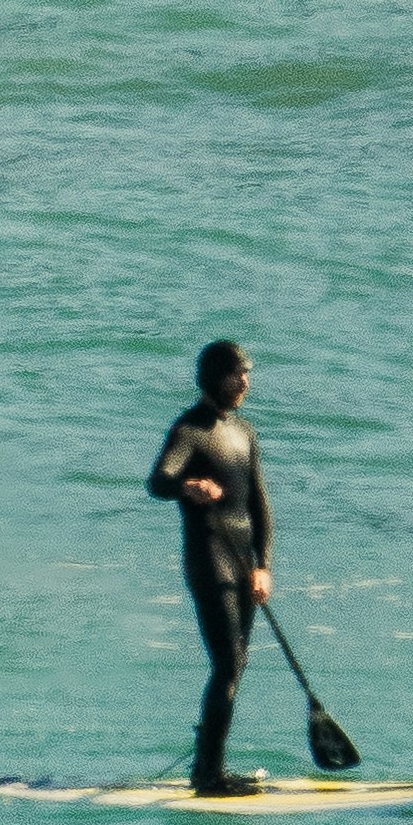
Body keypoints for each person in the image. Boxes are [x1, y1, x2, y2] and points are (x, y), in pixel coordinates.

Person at [148, 335, 273, 795]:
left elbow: (260, 506)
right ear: (213, 378)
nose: (244, 382)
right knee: (227, 661)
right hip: (209, 562)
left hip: (244, 565)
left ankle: (208, 763)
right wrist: (188, 487)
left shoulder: (244, 433)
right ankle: (207, 775)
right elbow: (158, 480)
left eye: (247, 374)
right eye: (237, 373)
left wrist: (264, 566)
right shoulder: (190, 431)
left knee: (235, 666)